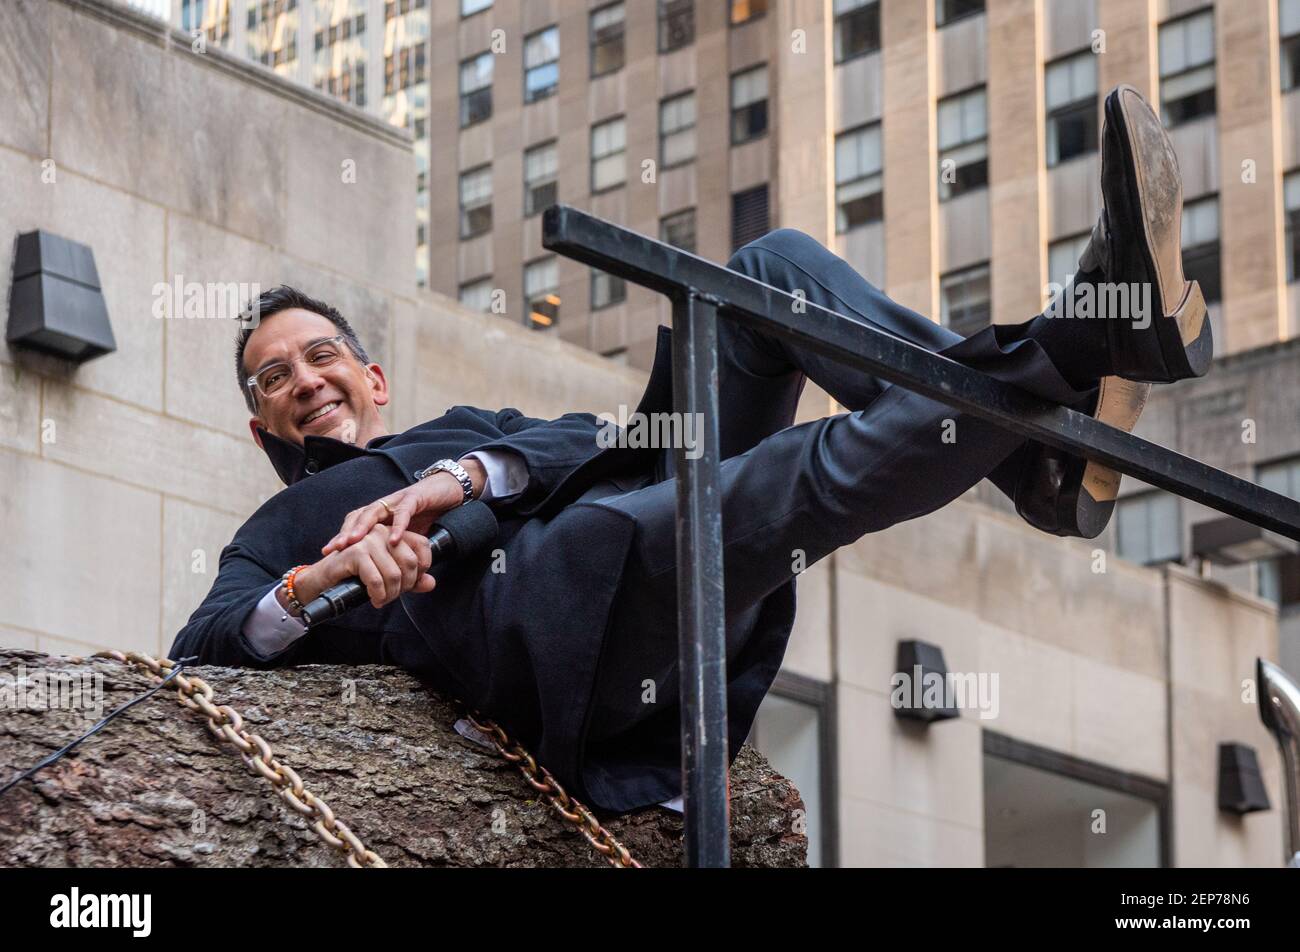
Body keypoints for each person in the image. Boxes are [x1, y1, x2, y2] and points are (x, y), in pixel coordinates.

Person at [170, 85, 1210, 814]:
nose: (306, 381)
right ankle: (1081, 341)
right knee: (789, 476)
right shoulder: (270, 535)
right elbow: (202, 650)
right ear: (260, 425)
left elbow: (578, 439)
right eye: (274, 379)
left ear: (373, 376)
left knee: (771, 269)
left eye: (322, 356)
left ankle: (1037, 458)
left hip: (622, 493)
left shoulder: (458, 432)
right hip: (554, 620)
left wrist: (460, 477)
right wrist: (325, 576)